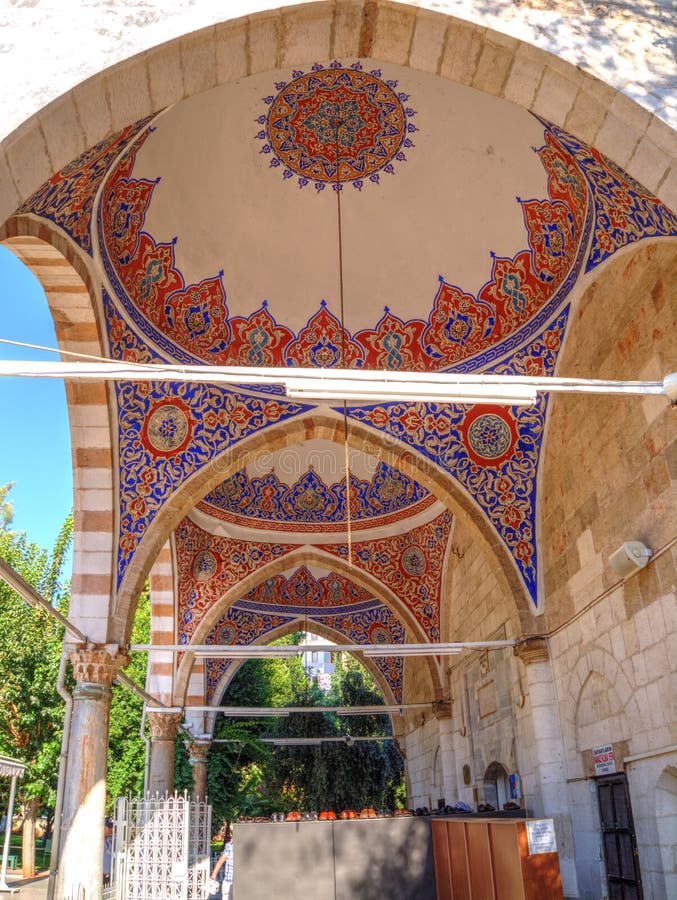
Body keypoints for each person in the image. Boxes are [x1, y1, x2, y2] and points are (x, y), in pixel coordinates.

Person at [209, 825, 233, 900]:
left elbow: (220, 862)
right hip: (233, 882)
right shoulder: (230, 846)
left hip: (229, 882)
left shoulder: (230, 846)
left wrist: (213, 875)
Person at [102, 817, 113, 887]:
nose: (111, 829)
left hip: (110, 875)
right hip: (99, 874)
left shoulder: (112, 839)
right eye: (109, 827)